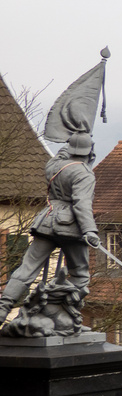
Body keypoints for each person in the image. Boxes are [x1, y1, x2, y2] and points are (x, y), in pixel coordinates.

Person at [0, 133, 100, 329]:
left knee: (26, 269)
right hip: (70, 226)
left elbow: (62, 153)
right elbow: (81, 204)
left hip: (47, 220)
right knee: (80, 275)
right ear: (89, 151)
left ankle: (3, 308)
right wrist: (90, 230)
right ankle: (63, 313)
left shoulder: (53, 165)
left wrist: (74, 137)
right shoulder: (84, 174)